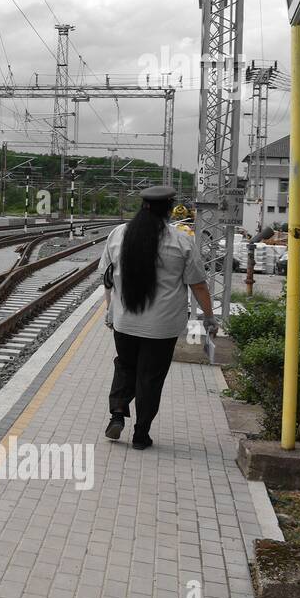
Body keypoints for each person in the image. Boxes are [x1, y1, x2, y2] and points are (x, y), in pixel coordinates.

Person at [98, 185, 218, 449]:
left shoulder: (119, 234)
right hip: (162, 328)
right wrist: (209, 317)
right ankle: (141, 435)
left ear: (143, 206)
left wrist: (110, 311)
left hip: (125, 321)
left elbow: (107, 279)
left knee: (125, 366)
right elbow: (198, 284)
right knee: (150, 377)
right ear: (169, 210)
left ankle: (117, 413)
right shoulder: (181, 241)